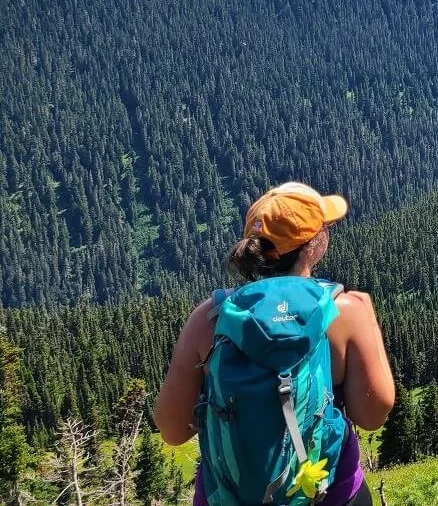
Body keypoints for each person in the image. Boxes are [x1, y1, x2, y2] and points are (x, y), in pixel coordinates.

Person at [154, 182, 395, 505]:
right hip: (330, 494)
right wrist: (367, 317)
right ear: (314, 245)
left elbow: (172, 430)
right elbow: (373, 415)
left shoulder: (210, 319)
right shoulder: (344, 311)